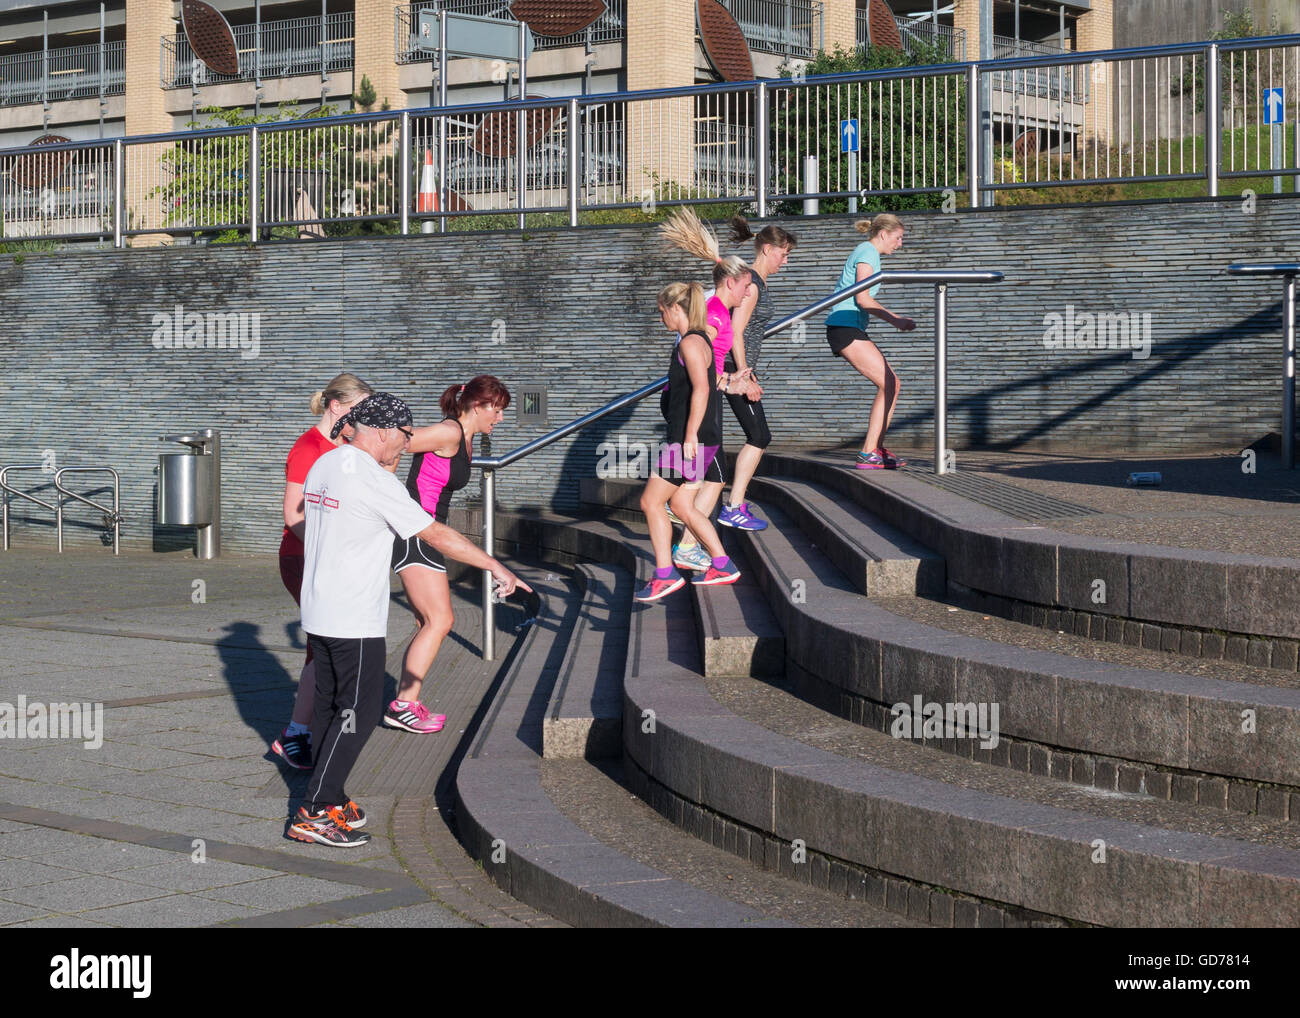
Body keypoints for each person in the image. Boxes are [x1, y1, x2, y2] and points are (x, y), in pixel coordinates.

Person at [288, 393, 530, 847]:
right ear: (381, 431)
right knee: (356, 712)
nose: (406, 445)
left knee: (328, 706)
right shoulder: (374, 482)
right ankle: (315, 810)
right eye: (402, 436)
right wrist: (494, 565)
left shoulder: (327, 463)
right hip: (353, 616)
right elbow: (435, 533)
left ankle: (331, 795)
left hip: (319, 609)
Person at [386, 376, 510, 734]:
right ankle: (403, 706)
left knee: (430, 622)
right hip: (417, 533)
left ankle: (405, 702)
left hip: (428, 533)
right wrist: (386, 493)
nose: (499, 419)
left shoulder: (466, 437)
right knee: (440, 621)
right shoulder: (449, 432)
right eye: (497, 410)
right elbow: (393, 443)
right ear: (477, 405)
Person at [272, 373, 373, 771]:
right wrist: (326, 549)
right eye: (358, 409)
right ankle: (295, 734)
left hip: (329, 559)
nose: (363, 418)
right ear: (336, 406)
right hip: (303, 558)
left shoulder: (343, 445)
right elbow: (292, 514)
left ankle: (311, 727)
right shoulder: (308, 448)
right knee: (323, 643)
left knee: (326, 642)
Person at [657, 208, 758, 571]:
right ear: (730, 283)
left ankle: (685, 539)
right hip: (699, 415)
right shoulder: (713, 317)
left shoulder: (717, 313)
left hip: (703, 410)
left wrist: (732, 381)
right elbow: (700, 373)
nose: (750, 292)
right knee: (700, 483)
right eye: (747, 286)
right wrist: (730, 384)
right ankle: (685, 543)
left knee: (714, 480)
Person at [635, 282, 742, 603]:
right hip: (695, 440)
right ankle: (722, 563)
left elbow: (702, 389)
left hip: (687, 441)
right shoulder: (698, 340)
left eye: (662, 311)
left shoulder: (691, 344)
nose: (660, 318)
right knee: (681, 505)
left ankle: (665, 574)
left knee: (650, 503)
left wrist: (690, 436)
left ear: (676, 309)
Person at [717, 215, 798, 529]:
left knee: (751, 435)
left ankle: (724, 504)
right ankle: (733, 506)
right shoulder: (750, 284)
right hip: (731, 368)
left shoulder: (757, 282)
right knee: (759, 435)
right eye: (783, 254)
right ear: (767, 249)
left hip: (738, 367)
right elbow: (736, 331)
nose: (785, 261)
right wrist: (744, 375)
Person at [825, 214, 916, 469]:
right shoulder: (868, 252)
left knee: (891, 384)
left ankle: (875, 448)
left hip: (848, 326)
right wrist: (896, 320)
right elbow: (863, 298)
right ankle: (869, 451)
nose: (900, 244)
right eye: (898, 238)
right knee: (890, 384)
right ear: (884, 234)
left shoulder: (867, 252)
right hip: (844, 326)